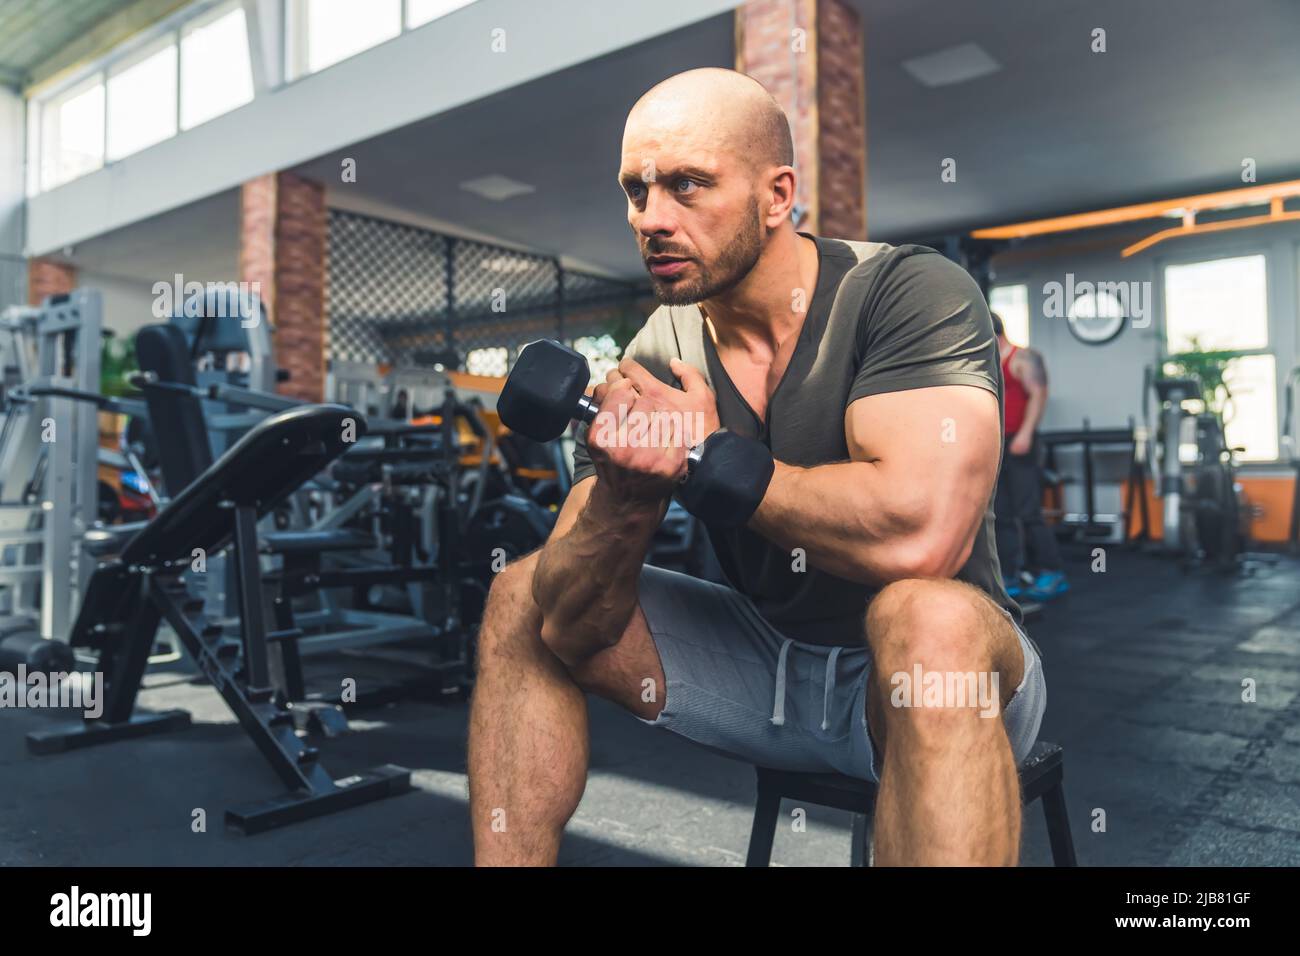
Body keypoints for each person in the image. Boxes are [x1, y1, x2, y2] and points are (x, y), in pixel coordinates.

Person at [467, 68, 1045, 866]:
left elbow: (920, 536)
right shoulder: (658, 352)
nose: (652, 219)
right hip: (769, 664)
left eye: (687, 185)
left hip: (943, 681)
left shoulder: (906, 293)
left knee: (926, 617)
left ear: (777, 197)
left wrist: (708, 457)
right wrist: (628, 496)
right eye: (636, 191)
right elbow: (574, 624)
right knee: (518, 597)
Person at [991, 313, 1069, 601]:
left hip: (1021, 442)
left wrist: (1025, 434)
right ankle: (1009, 573)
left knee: (1028, 511)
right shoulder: (987, 361)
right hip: (996, 444)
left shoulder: (1023, 358)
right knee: (1001, 514)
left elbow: (1039, 394)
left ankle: (1052, 571)